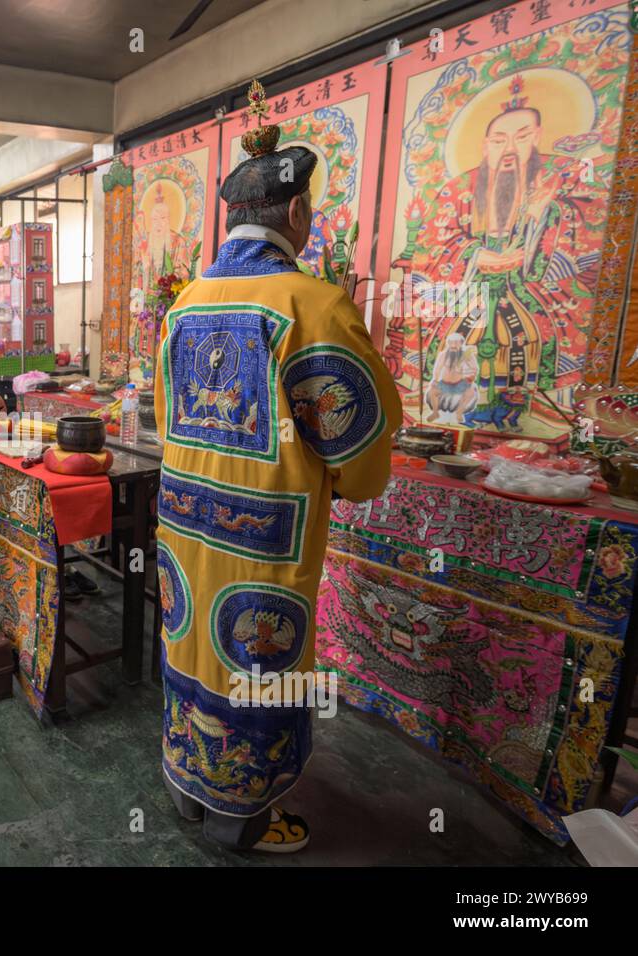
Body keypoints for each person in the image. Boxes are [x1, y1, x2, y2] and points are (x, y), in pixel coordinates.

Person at [153, 81, 401, 853]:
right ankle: (247, 818)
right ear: (296, 214)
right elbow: (357, 451)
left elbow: (167, 420)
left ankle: (188, 791)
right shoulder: (314, 305)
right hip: (264, 536)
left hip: (186, 522)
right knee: (256, 666)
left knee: (188, 642)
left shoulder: (185, 303)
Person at [409, 74, 605, 409]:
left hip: (535, 282)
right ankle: (449, 407)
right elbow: (433, 243)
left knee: (543, 331)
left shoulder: (561, 174)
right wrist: (476, 254)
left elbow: (592, 220)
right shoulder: (460, 188)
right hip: (474, 280)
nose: (510, 149)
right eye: (499, 140)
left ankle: (541, 406)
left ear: (538, 137)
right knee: (447, 332)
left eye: (522, 137)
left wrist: (546, 215)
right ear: (486, 145)